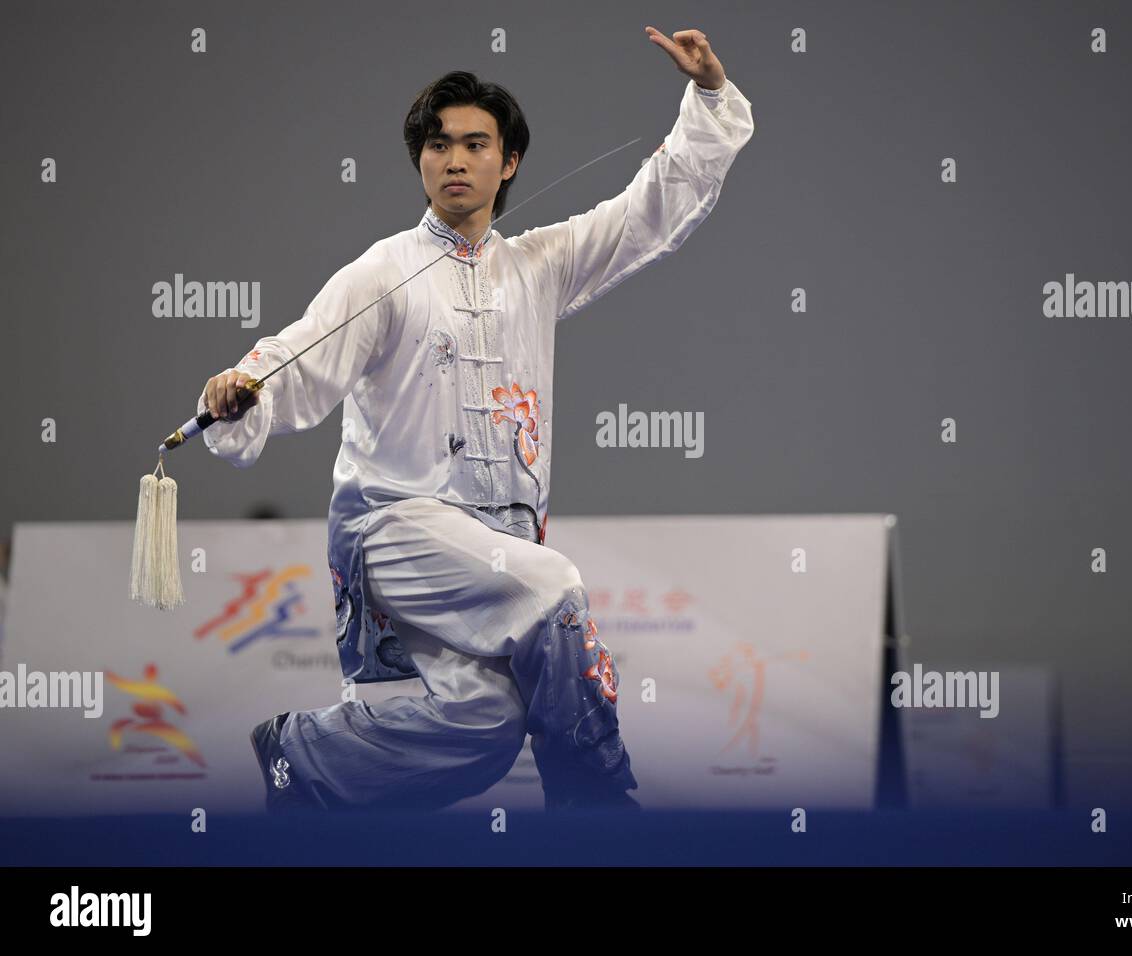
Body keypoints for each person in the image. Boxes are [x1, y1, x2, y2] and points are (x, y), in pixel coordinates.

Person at [202, 26, 753, 812]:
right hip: (393, 526)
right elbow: (295, 357)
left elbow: (647, 214)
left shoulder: (539, 265)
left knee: (486, 727)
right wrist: (240, 386)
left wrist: (705, 98)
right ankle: (595, 801)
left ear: (510, 160)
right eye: (437, 144)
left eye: (474, 143)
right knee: (553, 585)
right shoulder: (382, 271)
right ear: (419, 160)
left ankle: (302, 757)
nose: (454, 159)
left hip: (491, 547)